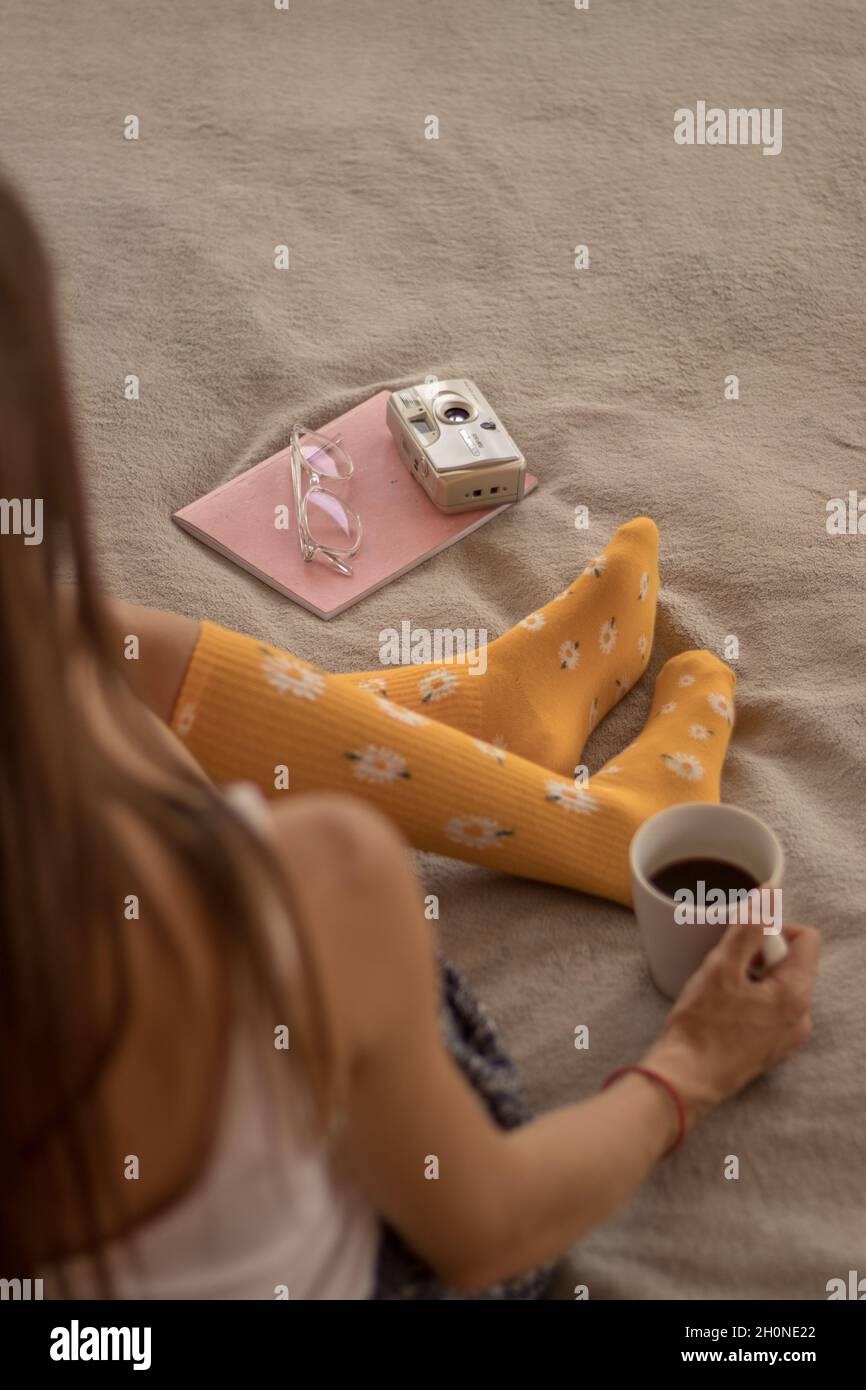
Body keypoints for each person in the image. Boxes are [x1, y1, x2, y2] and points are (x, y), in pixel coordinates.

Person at [0, 173, 820, 1299]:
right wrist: (692, 1064)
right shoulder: (316, 890)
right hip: (412, 1255)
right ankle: (588, 823)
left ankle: (487, 716)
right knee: (88, 659)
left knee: (88, 646)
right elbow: (483, 1232)